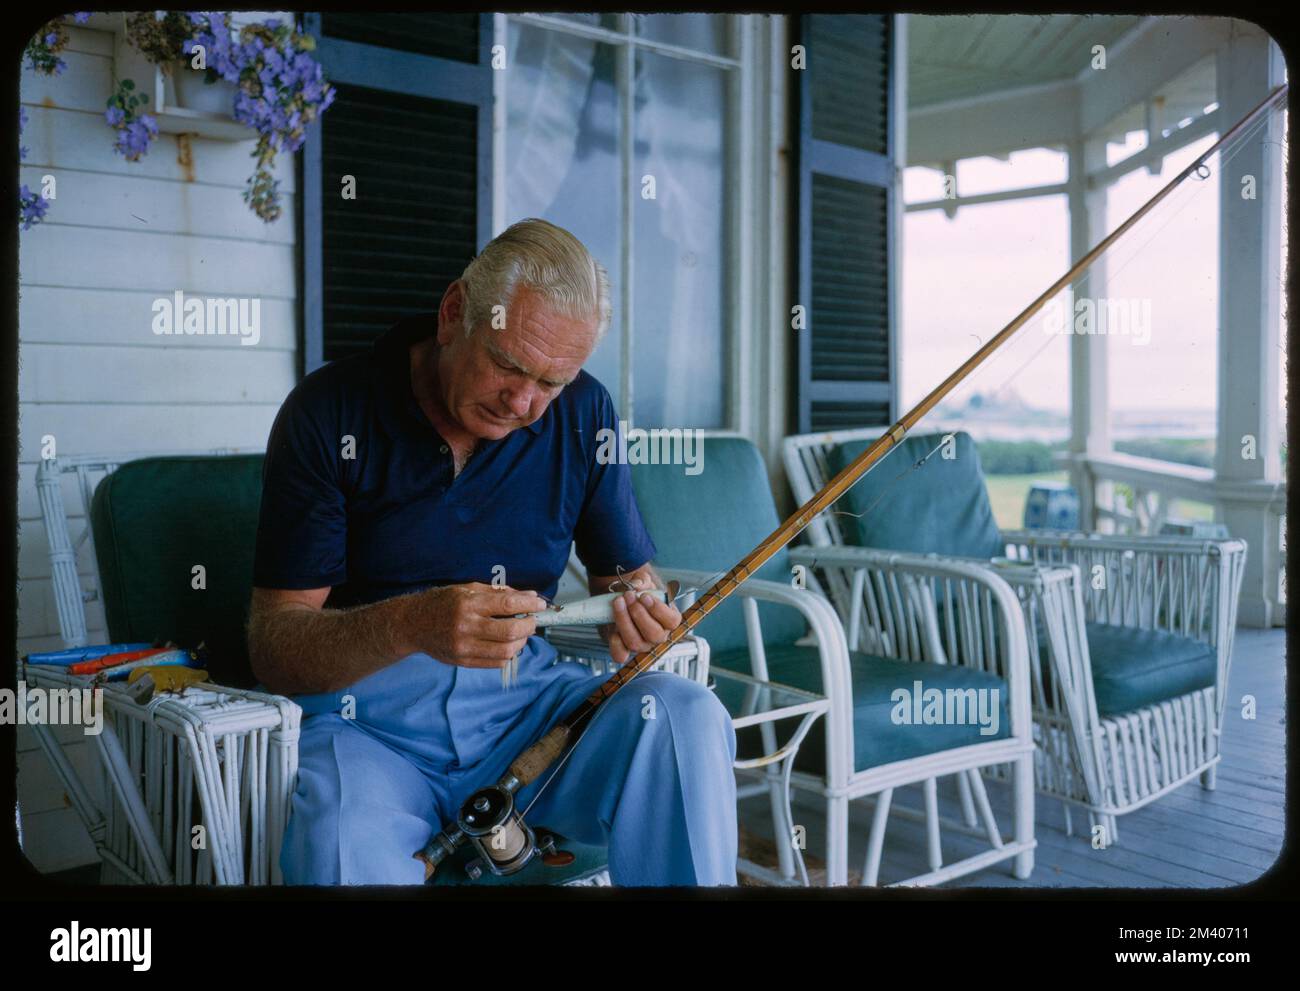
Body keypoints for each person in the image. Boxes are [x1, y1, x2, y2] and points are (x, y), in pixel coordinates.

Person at [248, 218, 738, 885]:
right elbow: (274, 646)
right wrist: (411, 622)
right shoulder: (330, 410)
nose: (525, 404)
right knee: (340, 845)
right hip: (368, 728)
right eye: (508, 365)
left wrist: (639, 609)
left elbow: (626, 581)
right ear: (454, 313)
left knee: (683, 715)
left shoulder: (584, 413)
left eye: (552, 382)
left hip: (527, 709)